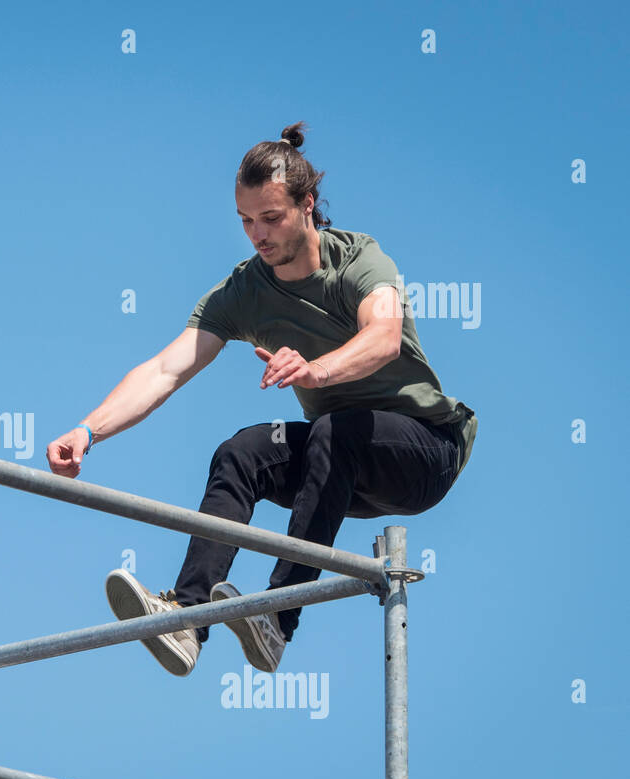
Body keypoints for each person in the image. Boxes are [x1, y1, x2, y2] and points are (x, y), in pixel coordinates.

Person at [44, 122, 477, 677]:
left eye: (271, 219)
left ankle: (277, 618)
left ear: (307, 206)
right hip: (340, 467)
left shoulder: (357, 261)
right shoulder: (245, 293)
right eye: (247, 222)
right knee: (242, 452)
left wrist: (316, 369)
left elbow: (384, 335)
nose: (258, 235)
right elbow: (164, 369)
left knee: (333, 431)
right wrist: (88, 431)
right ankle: (186, 618)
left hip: (424, 451)